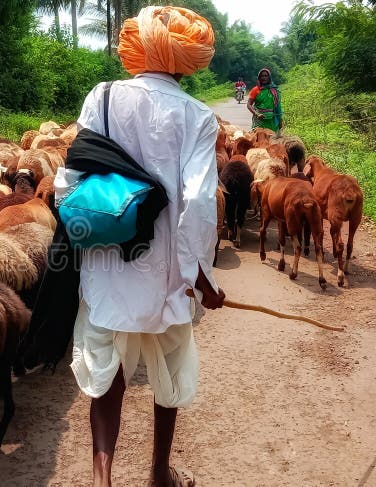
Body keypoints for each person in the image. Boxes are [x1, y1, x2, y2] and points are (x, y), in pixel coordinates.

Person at [69, 5, 225, 487]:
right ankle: (159, 473)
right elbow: (197, 202)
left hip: (107, 258)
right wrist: (201, 278)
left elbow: (71, 179)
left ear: (137, 49)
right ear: (185, 61)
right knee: (171, 367)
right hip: (168, 273)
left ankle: (103, 478)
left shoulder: (104, 97)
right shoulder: (198, 116)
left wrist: (97, 230)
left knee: (106, 370)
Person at [247, 68, 283, 132]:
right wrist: (257, 114)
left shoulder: (274, 90)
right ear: (259, 78)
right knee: (258, 139)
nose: (264, 78)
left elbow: (278, 107)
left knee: (272, 140)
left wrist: (280, 120)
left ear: (269, 77)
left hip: (271, 121)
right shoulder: (255, 90)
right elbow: (249, 105)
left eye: (266, 76)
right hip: (259, 121)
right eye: (261, 76)